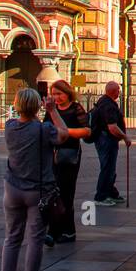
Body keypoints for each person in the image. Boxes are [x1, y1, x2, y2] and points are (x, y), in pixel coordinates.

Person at [0, 87, 70, 271]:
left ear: (16, 105)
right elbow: (65, 134)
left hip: (12, 189)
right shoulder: (44, 130)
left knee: (11, 237)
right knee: (35, 239)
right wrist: (53, 111)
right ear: (38, 106)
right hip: (37, 191)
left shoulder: (9, 126)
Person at [45, 80, 91, 244]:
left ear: (67, 93)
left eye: (59, 94)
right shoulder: (52, 109)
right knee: (52, 192)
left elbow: (86, 131)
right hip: (53, 154)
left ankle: (68, 231)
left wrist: (65, 131)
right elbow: (45, 127)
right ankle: (54, 231)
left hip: (70, 155)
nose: (56, 97)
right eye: (54, 94)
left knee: (66, 193)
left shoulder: (75, 108)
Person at [91, 82, 132, 205]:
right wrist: (125, 137)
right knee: (107, 167)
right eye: (118, 90)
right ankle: (101, 196)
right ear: (113, 91)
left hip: (104, 139)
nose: (119, 92)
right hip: (106, 140)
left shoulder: (103, 101)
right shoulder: (109, 105)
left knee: (109, 168)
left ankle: (111, 193)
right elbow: (112, 127)